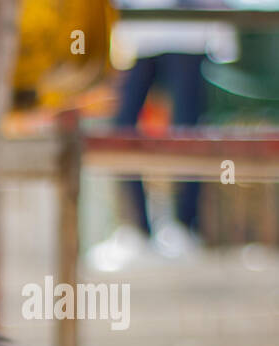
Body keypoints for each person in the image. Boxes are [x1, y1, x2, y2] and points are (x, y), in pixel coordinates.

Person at [88, 0, 238, 273]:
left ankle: (186, 226)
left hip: (187, 30)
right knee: (122, 128)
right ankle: (137, 227)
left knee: (188, 131)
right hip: (139, 31)